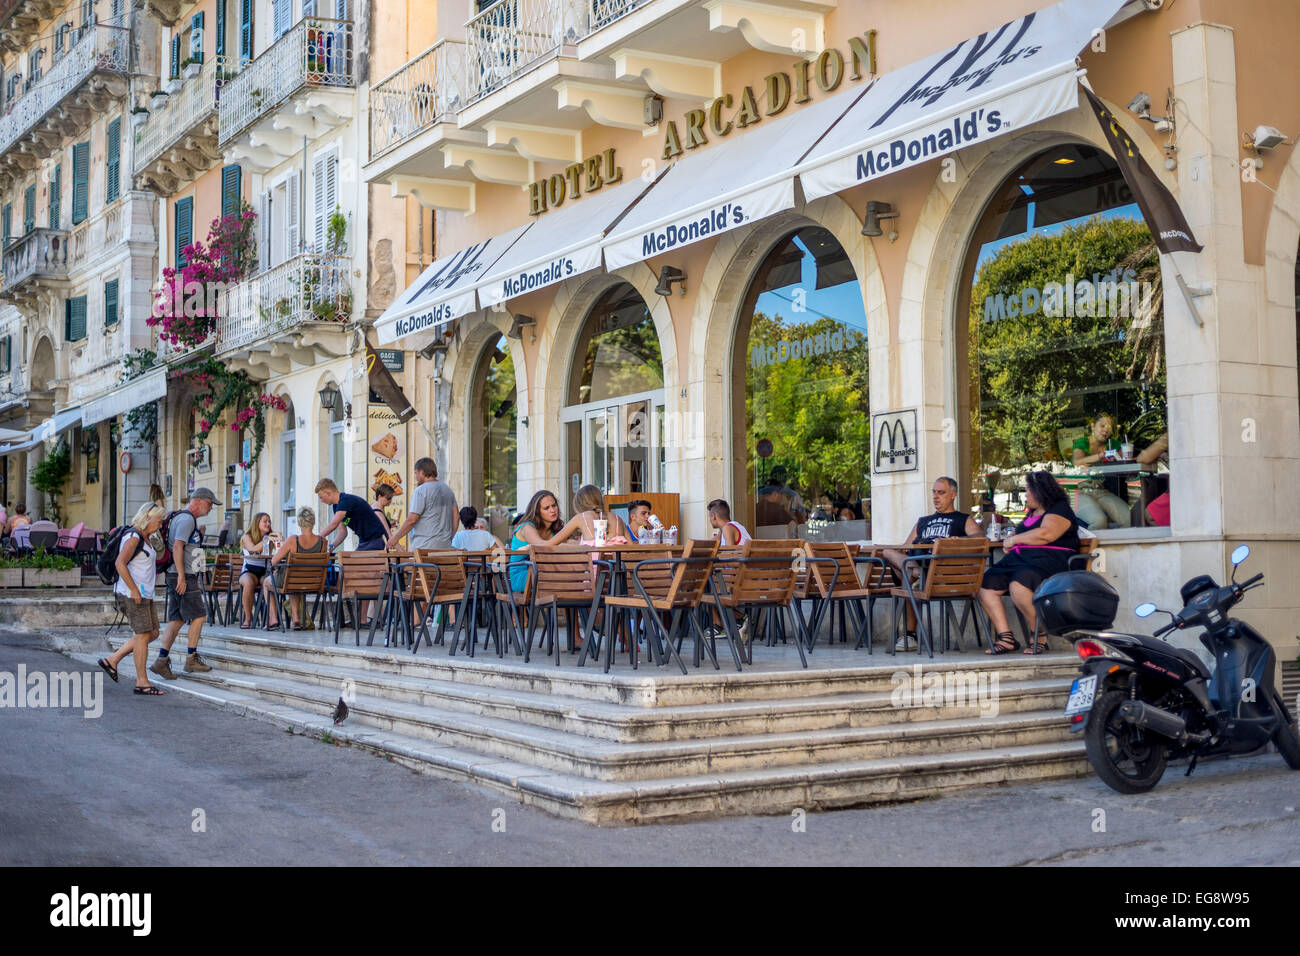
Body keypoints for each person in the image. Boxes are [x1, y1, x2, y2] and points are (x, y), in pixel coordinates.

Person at [978, 471, 1081, 655]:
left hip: (1050, 562)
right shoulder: (1032, 512)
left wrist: (1015, 540)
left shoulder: (1059, 508)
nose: (1026, 495)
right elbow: (1023, 533)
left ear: (1041, 491)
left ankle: (1039, 634)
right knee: (987, 583)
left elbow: (1046, 534)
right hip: (1022, 560)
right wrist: (1013, 536)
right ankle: (1006, 637)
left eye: (1028, 491)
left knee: (1019, 583)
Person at [882, 476, 982, 650]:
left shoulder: (962, 519)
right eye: (934, 492)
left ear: (953, 495)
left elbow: (981, 538)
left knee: (907, 578)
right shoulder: (923, 521)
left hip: (943, 575)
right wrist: (902, 554)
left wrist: (959, 540)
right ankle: (919, 574)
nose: (936, 496)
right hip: (918, 567)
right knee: (888, 554)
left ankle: (909, 636)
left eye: (941, 493)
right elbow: (906, 547)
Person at [98, 503, 167, 695]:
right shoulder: (133, 536)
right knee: (143, 635)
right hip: (133, 594)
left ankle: (112, 660)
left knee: (151, 633)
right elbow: (120, 563)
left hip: (145, 594)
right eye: (159, 521)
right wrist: (134, 589)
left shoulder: (145, 537)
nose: (160, 525)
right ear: (147, 517)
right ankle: (142, 682)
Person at [151, 487, 219, 680]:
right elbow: (178, 547)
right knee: (199, 616)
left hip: (179, 574)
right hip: (182, 576)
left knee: (178, 619)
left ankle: (161, 661)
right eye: (210, 503)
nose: (211, 508)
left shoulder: (184, 518)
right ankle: (191, 659)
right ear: (198, 500)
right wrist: (182, 575)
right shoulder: (187, 519)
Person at [264, 506, 326, 630]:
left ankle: (273, 619)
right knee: (293, 578)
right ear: (313, 522)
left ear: (299, 522)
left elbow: (274, 560)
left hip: (293, 580)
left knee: (267, 582)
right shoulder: (323, 541)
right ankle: (296, 620)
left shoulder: (293, 540)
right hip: (313, 582)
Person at [1071, 413, 1131, 530]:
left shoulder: (1113, 444)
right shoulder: (1082, 442)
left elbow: (1123, 463)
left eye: (1109, 427)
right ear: (1093, 426)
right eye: (1102, 426)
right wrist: (1100, 456)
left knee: (1129, 519)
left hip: (1101, 490)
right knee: (1099, 521)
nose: (1106, 430)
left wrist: (1123, 458)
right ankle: (1089, 547)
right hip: (1079, 491)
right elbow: (1077, 462)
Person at [386, 458, 457, 551]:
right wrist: (450, 538)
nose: (415, 476)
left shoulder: (421, 490)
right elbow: (456, 516)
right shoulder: (447, 489)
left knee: (403, 565)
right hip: (445, 547)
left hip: (424, 548)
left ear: (422, 472)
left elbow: (412, 520)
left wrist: (395, 538)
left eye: (416, 473)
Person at [508, 490, 565, 592]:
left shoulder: (555, 529)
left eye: (554, 505)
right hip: (523, 575)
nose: (552, 510)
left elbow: (573, 543)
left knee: (574, 572)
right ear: (537, 512)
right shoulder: (527, 527)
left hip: (543, 571)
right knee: (564, 574)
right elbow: (542, 546)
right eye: (546, 508)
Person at [315, 478, 387, 551]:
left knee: (351, 561)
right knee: (349, 561)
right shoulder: (336, 506)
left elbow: (334, 524)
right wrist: (332, 547)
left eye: (321, 497)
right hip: (363, 541)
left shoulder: (345, 500)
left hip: (374, 540)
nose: (321, 501)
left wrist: (316, 539)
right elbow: (343, 532)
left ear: (328, 493)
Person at [238, 512, 282, 629]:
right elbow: (252, 550)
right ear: (257, 523)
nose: (268, 524)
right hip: (248, 571)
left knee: (268, 582)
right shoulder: (247, 536)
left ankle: (272, 619)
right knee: (249, 582)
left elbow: (280, 553)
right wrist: (266, 540)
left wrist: (280, 541)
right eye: (265, 521)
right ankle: (248, 618)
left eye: (269, 521)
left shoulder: (271, 537)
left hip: (265, 571)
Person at [550, 484, 628, 544]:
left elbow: (551, 543)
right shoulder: (617, 518)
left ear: (579, 504)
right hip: (618, 564)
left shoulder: (581, 517)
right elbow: (631, 547)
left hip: (594, 564)